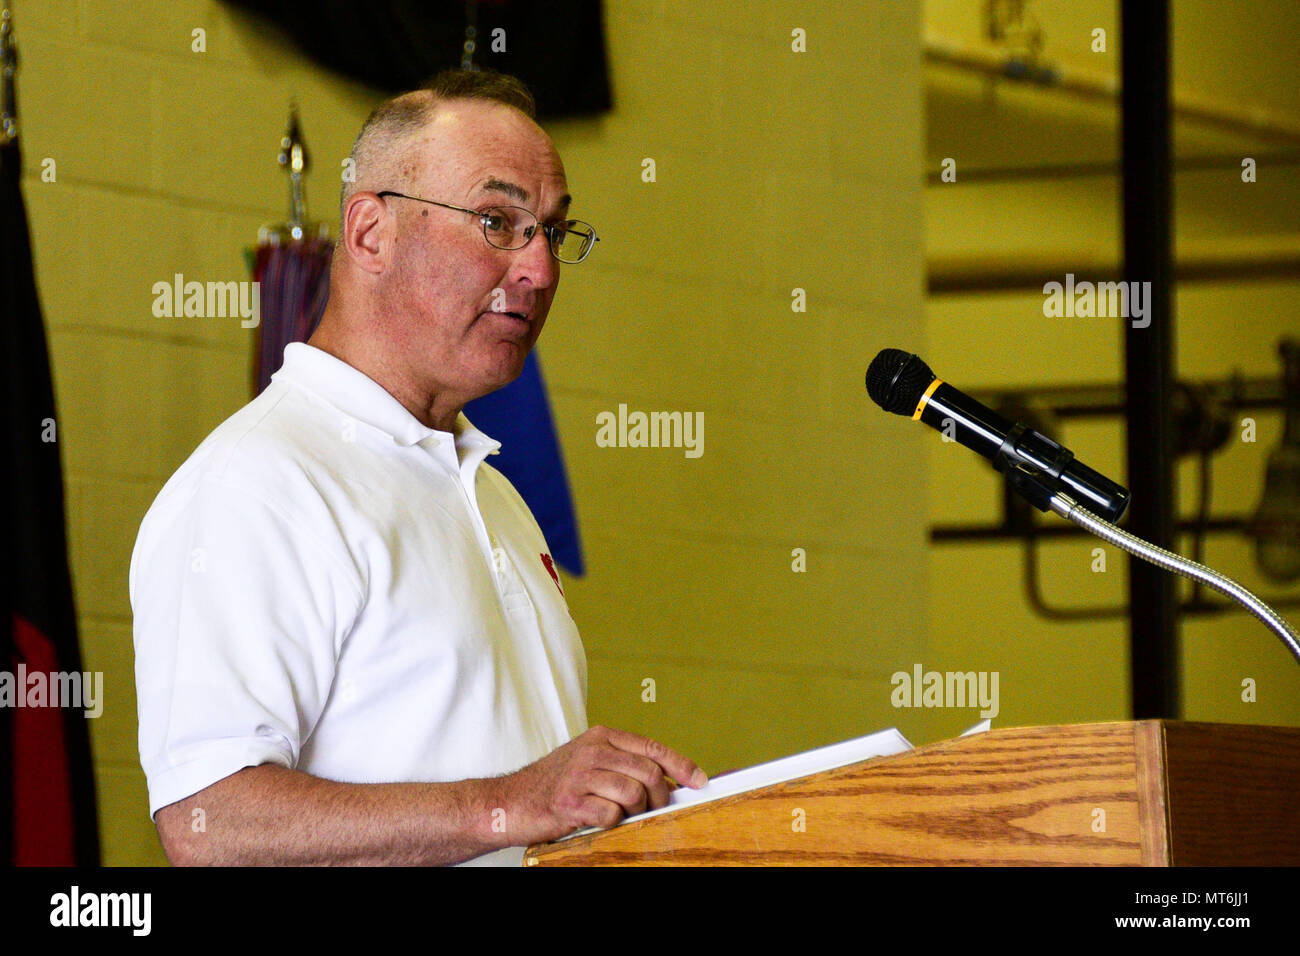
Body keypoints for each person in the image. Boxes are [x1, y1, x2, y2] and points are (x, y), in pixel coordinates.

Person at [130, 69, 706, 867]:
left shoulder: (497, 496)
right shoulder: (256, 483)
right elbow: (206, 823)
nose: (540, 270)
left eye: (551, 231)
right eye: (497, 222)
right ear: (371, 234)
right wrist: (507, 804)